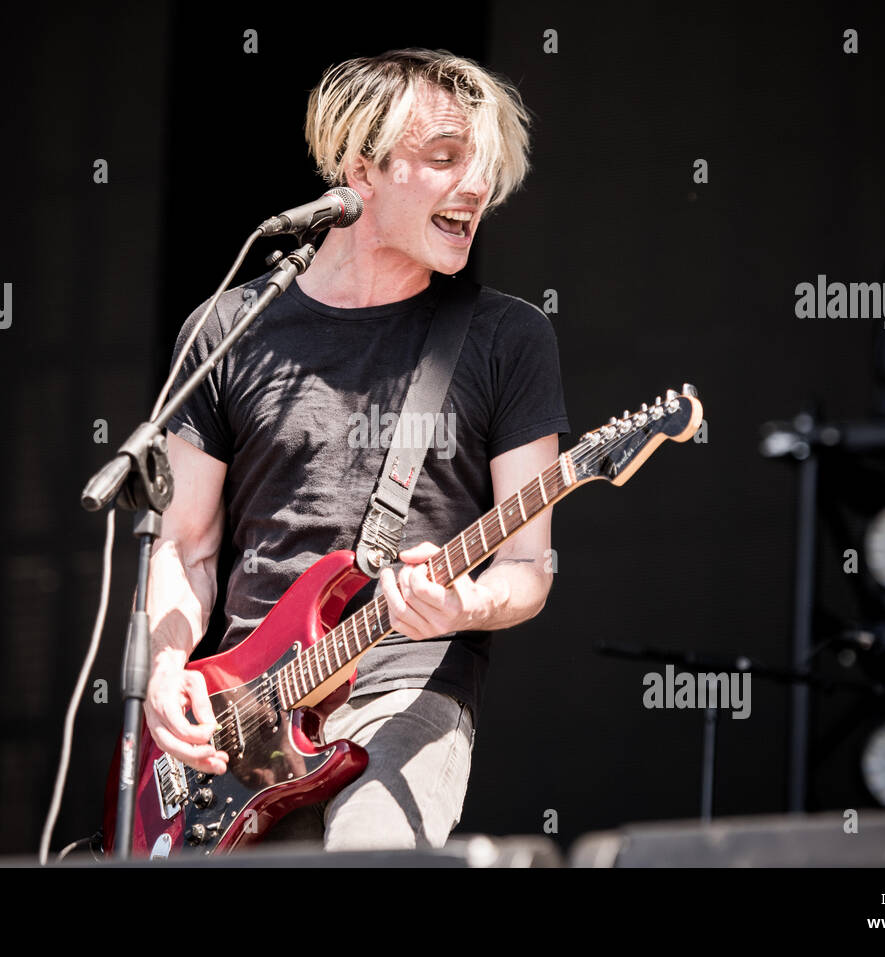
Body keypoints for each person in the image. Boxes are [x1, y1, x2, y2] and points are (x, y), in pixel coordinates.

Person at [142, 48, 570, 851]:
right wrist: (166, 671)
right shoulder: (226, 328)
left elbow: (528, 567)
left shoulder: (507, 338)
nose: (475, 187)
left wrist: (465, 604)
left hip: (406, 684)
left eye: (485, 167)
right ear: (360, 169)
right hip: (239, 707)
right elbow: (184, 544)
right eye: (445, 159)